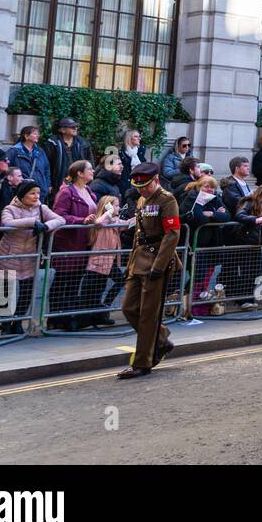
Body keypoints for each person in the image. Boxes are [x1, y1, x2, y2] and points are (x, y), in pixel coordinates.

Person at [118, 163, 181, 379]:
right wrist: (131, 263)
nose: (141, 190)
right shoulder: (142, 199)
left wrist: (160, 266)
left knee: (147, 315)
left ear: (156, 180)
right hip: (139, 260)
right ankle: (161, 338)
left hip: (157, 260)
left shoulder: (167, 199)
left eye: (145, 186)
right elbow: (138, 234)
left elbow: (172, 234)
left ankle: (142, 363)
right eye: (138, 187)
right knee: (128, 308)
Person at [0, 180, 65, 334]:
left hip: (30, 256)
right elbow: (7, 223)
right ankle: (6, 324)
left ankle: (18, 321)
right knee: (7, 292)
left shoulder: (41, 207)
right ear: (22, 195)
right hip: (9, 254)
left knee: (27, 292)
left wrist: (47, 226)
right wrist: (33, 222)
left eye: (38, 193)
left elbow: (60, 219)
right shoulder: (10, 208)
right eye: (32, 193)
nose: (36, 196)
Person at [51, 160, 100, 330]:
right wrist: (81, 220)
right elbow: (59, 215)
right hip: (69, 243)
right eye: (89, 169)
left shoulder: (88, 190)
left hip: (85, 242)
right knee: (63, 280)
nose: (93, 171)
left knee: (75, 280)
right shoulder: (66, 192)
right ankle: (55, 318)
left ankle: (69, 317)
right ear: (79, 173)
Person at [78, 194, 124, 328]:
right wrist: (108, 211)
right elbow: (98, 223)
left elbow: (128, 224)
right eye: (115, 205)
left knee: (102, 288)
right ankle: (94, 316)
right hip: (98, 261)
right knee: (93, 292)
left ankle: (103, 310)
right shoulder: (103, 219)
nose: (118, 208)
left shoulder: (114, 220)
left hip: (109, 261)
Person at [42, 118, 92, 204]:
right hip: (58, 182)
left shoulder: (82, 143)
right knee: (59, 205)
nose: (75, 128)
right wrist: (49, 183)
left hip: (78, 180)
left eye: (76, 126)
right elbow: (46, 165)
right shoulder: (52, 143)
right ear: (62, 130)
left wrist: (89, 178)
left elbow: (89, 162)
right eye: (72, 127)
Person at [6, 126, 52, 203]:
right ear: (26, 136)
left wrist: (47, 185)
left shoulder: (40, 151)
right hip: (22, 191)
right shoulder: (13, 151)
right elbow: (7, 169)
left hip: (39, 191)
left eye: (38, 134)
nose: (38, 136)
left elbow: (46, 169)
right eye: (35, 134)